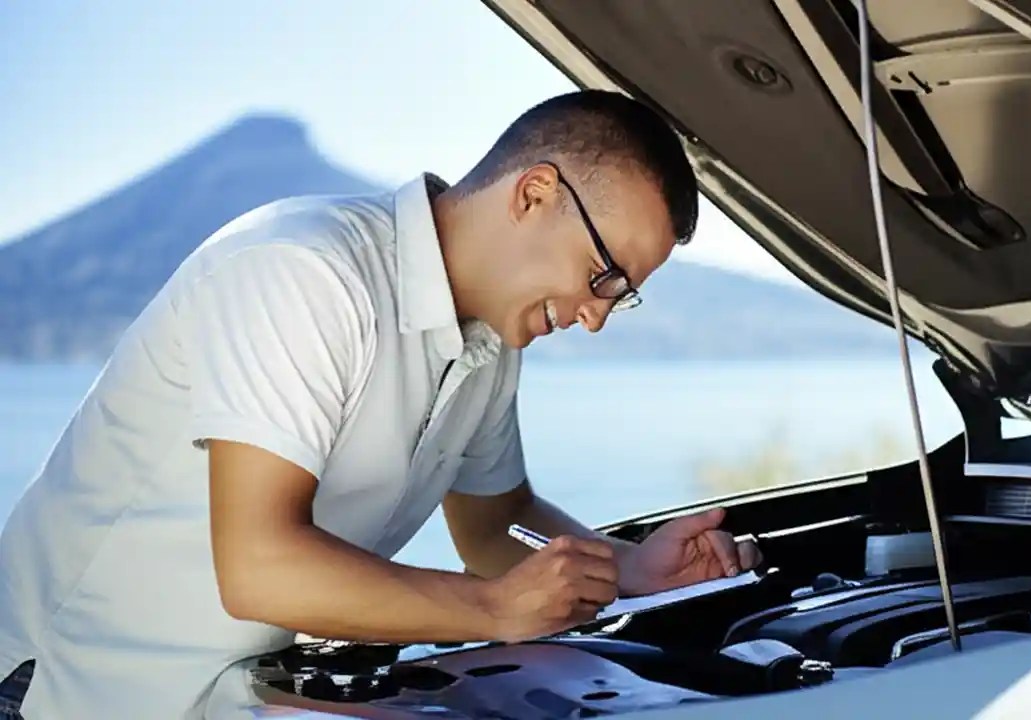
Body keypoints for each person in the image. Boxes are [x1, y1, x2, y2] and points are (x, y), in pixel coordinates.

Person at [0, 89, 763, 719]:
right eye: (604, 275)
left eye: (621, 297)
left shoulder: (492, 339)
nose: (596, 315)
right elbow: (260, 569)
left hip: (227, 696)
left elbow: (496, 525)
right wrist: (495, 609)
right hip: (60, 690)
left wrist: (632, 569)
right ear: (534, 194)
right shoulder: (305, 273)